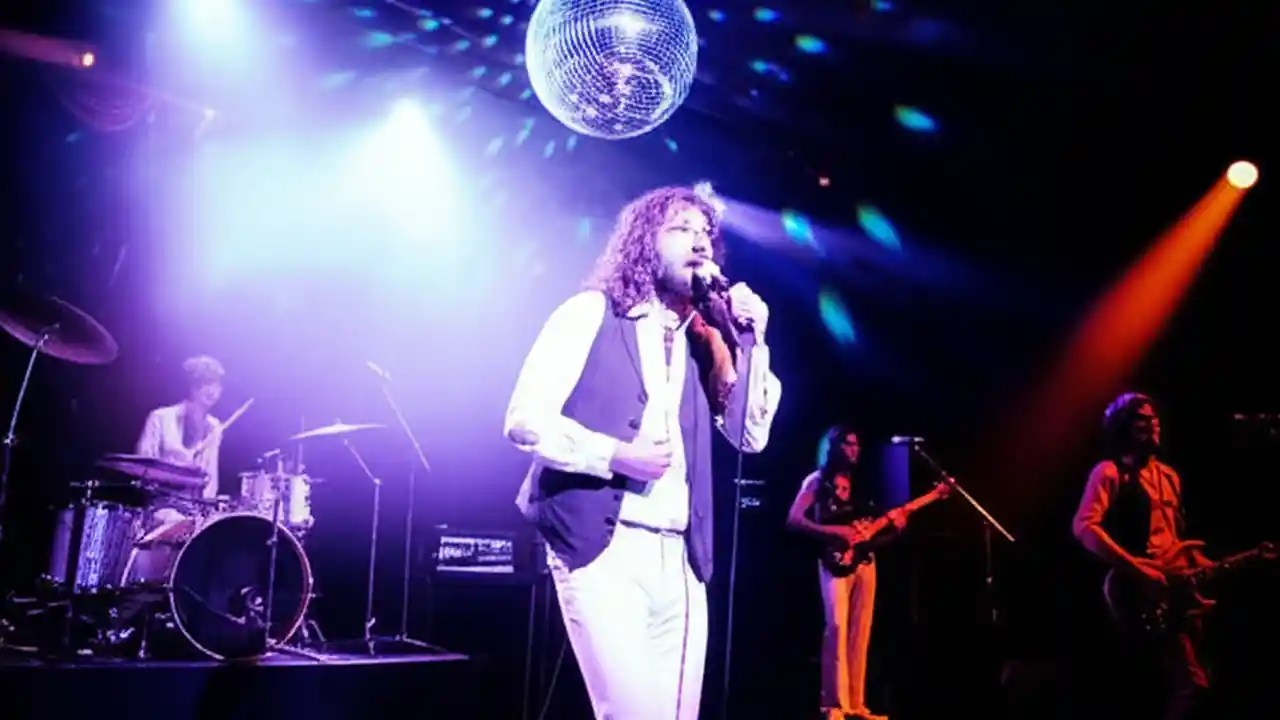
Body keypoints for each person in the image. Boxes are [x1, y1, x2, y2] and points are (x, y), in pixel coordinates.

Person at [504, 184, 782, 719]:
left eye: (705, 233)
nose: (699, 242)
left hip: (681, 558)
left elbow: (751, 436)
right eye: (681, 229)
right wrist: (615, 455)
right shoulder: (592, 312)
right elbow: (524, 419)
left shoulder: (706, 343)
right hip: (603, 549)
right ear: (643, 241)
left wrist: (755, 340)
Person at [1072, 392, 1207, 720]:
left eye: (1154, 418)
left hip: (1175, 593)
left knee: (1186, 685)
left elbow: (1174, 539)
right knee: (1190, 685)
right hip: (1137, 595)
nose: (1152, 424)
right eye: (1141, 420)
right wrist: (1137, 569)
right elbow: (1084, 526)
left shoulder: (1170, 476)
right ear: (1122, 428)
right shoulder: (1109, 473)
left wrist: (1195, 566)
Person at [786, 425, 904, 720]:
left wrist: (895, 528)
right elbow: (794, 519)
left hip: (865, 561)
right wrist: (832, 531)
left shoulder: (862, 483)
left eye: (857, 444)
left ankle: (855, 703)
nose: (854, 449)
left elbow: (871, 526)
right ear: (835, 447)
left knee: (860, 631)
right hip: (833, 561)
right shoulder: (817, 481)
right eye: (848, 444)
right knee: (837, 626)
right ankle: (833, 703)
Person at [127, 355, 225, 579]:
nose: (212, 391)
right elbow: (143, 467)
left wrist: (207, 514)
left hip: (195, 511)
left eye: (216, 385)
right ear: (191, 386)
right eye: (204, 384)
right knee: (171, 522)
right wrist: (177, 471)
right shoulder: (160, 418)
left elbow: (212, 477)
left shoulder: (215, 427)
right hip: (162, 506)